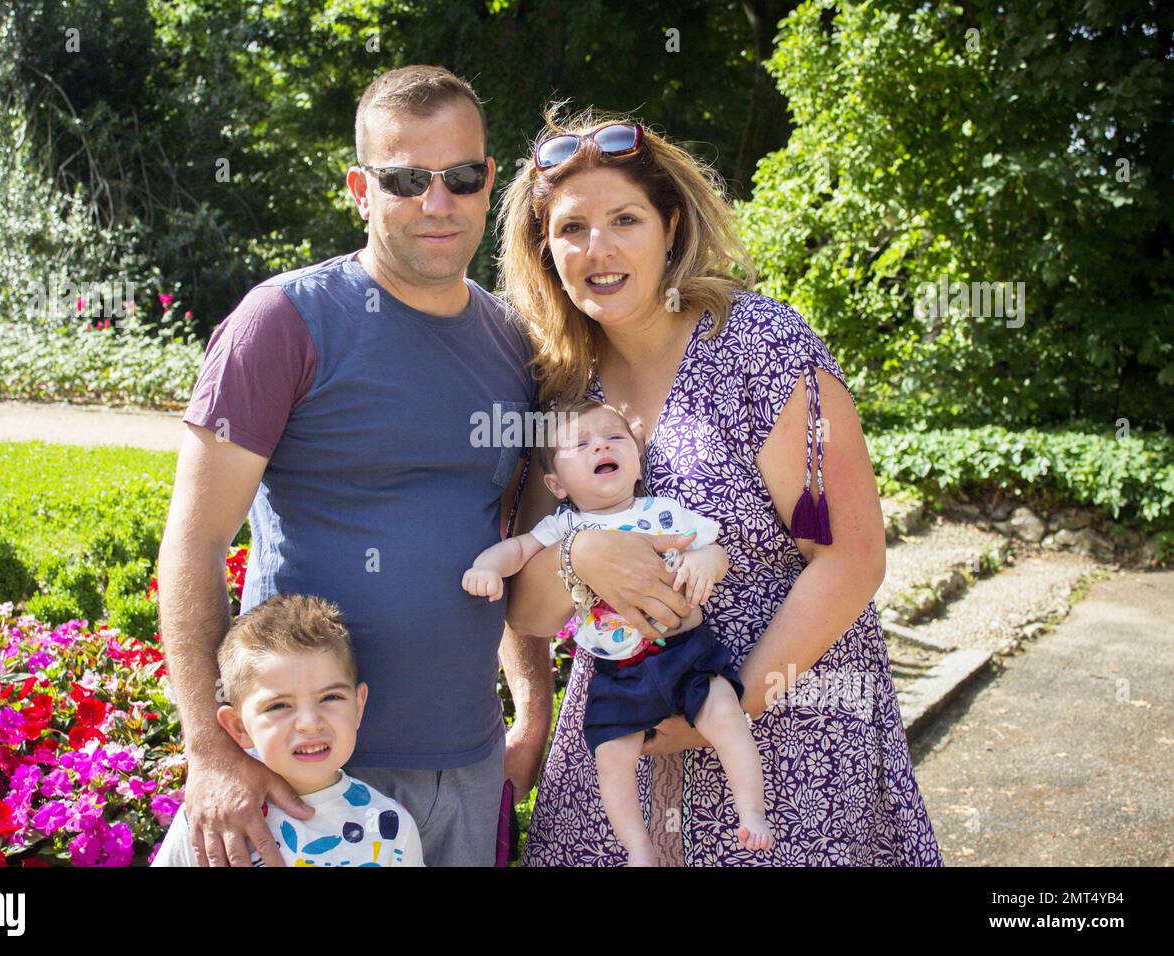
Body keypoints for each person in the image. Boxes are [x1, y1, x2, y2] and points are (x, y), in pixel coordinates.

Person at [497, 104, 943, 865]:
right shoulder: (560, 387)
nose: (597, 248)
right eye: (571, 228)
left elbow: (851, 558)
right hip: (622, 749)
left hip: (789, 748)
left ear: (671, 226)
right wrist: (580, 561)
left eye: (625, 220)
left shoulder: (759, 347)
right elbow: (531, 608)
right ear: (545, 250)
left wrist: (727, 706)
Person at [156, 65, 553, 868]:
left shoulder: (518, 345)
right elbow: (193, 543)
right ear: (360, 190)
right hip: (306, 773)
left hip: (467, 771)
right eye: (406, 178)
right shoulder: (285, 322)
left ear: (489, 184)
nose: (437, 203)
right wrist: (208, 748)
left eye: (461, 176)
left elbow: (515, 536)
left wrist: (534, 710)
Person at [463, 400, 773, 864]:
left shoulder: (662, 513)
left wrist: (705, 564)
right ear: (557, 484)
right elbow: (519, 549)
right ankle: (638, 847)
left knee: (726, 714)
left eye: (614, 438)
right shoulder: (565, 525)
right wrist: (488, 564)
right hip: (617, 670)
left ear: (637, 458)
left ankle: (751, 811)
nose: (601, 446)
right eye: (581, 444)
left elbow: (712, 548)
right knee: (611, 758)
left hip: (684, 651)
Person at [151, 594, 423, 867]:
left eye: (330, 698)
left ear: (358, 706)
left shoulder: (391, 827)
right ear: (238, 727)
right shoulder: (211, 817)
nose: (309, 722)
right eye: (279, 705)